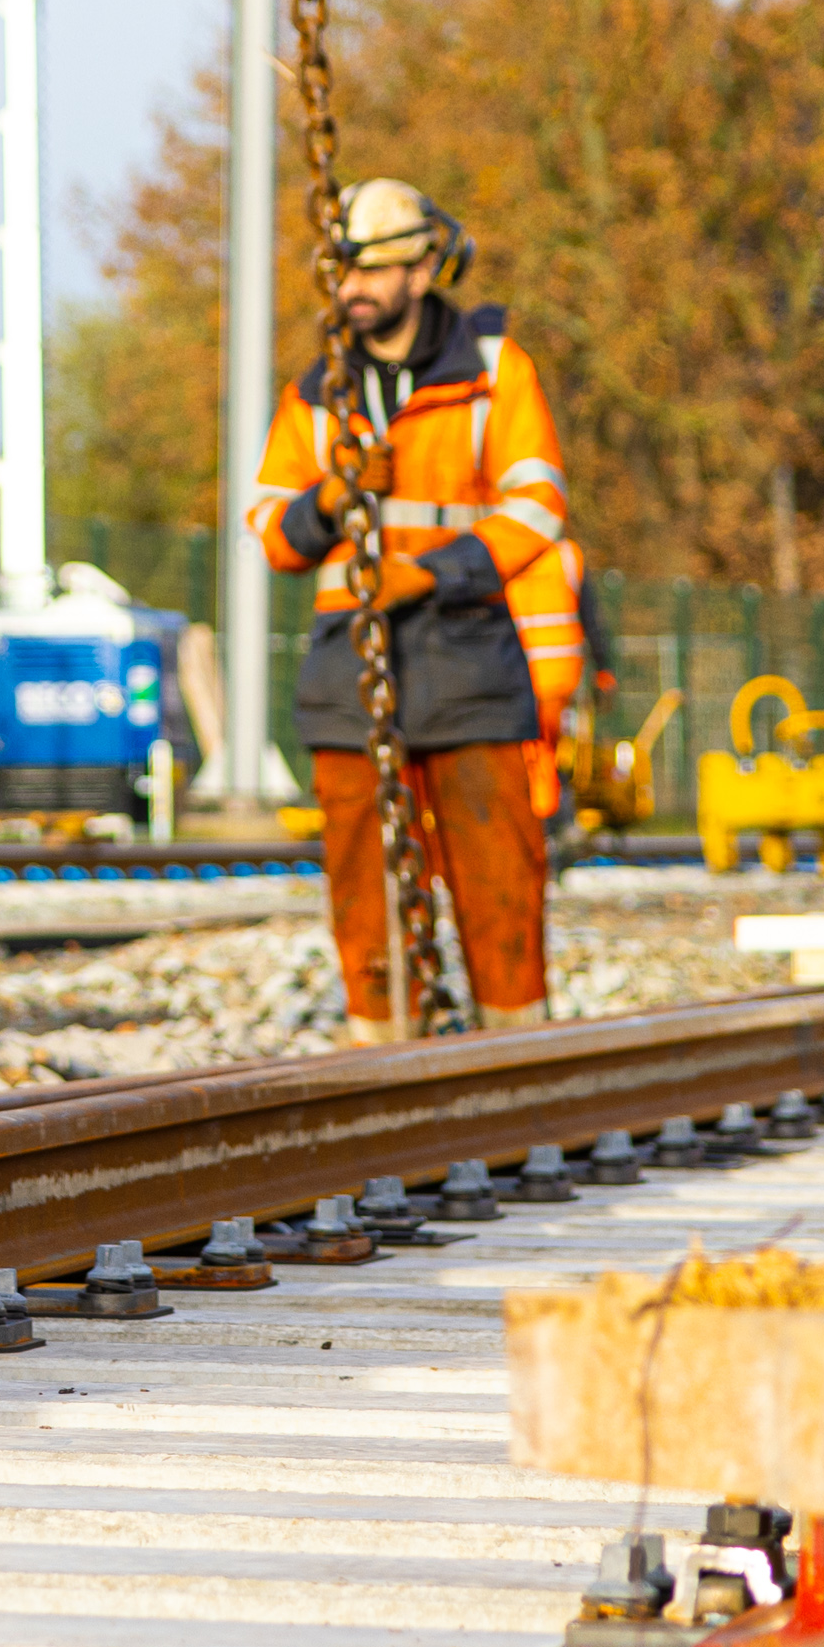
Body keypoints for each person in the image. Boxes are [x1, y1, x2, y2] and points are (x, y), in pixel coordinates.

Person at [251, 179, 567, 1034]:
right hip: (349, 675)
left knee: (498, 873)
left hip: (465, 660)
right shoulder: (318, 392)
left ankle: (519, 1056)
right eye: (342, 272)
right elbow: (272, 530)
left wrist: (433, 574)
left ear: (423, 270)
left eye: (373, 272)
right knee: (364, 884)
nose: (353, 290)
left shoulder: (493, 373)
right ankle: (382, 1057)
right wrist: (329, 498)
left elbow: (536, 504)